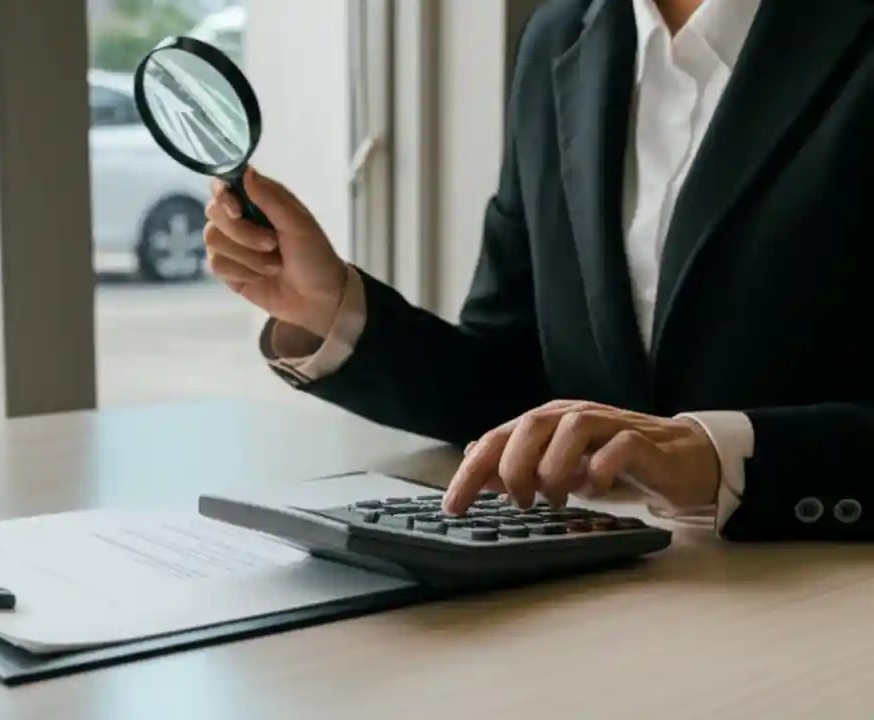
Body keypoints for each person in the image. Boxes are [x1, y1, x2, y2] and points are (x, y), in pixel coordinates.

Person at [202, 0, 874, 542]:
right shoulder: (561, 37)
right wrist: (331, 310)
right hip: (605, 596)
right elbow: (511, 387)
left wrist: (722, 454)